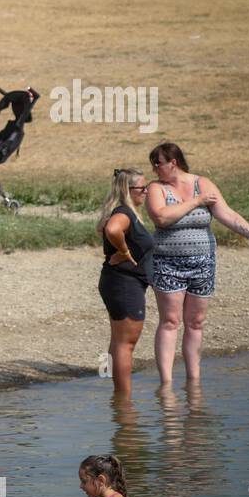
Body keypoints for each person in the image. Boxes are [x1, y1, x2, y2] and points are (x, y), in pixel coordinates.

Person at [145, 141, 249, 387]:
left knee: (196, 323)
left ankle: (193, 382)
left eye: (158, 163)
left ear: (173, 163)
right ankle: (166, 384)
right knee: (170, 321)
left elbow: (229, 215)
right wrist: (196, 202)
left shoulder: (202, 184)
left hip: (203, 262)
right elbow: (162, 217)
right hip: (168, 263)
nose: (154, 169)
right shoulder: (157, 188)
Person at [97, 168, 154, 396]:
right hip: (124, 284)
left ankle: (116, 394)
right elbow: (112, 229)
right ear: (128, 190)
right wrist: (124, 251)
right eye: (142, 188)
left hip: (118, 283)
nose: (146, 191)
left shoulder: (124, 212)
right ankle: (124, 401)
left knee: (118, 340)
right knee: (125, 344)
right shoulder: (123, 213)